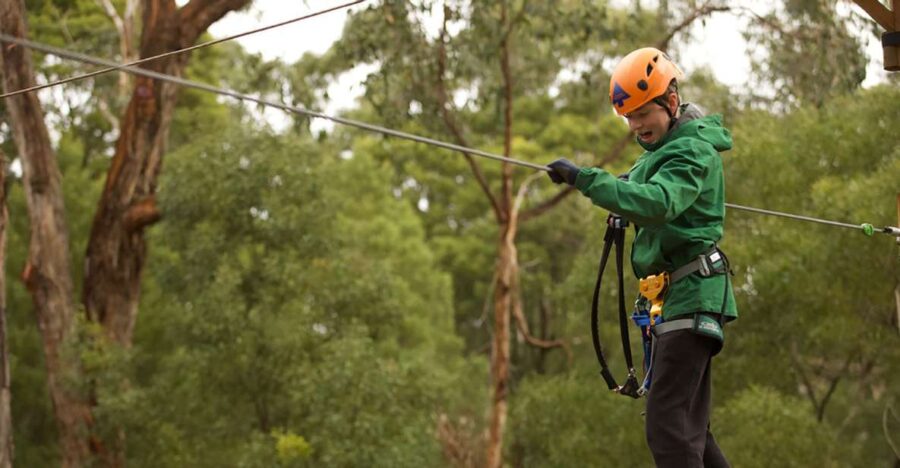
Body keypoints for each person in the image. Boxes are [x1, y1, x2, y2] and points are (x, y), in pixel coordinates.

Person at [546, 47, 737, 468]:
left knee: (669, 428)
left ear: (670, 102)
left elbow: (659, 202)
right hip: (676, 301)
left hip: (693, 295)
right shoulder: (660, 154)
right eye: (628, 117)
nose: (636, 126)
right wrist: (612, 189)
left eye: (642, 114)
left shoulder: (692, 152)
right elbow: (636, 185)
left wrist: (585, 178)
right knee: (690, 430)